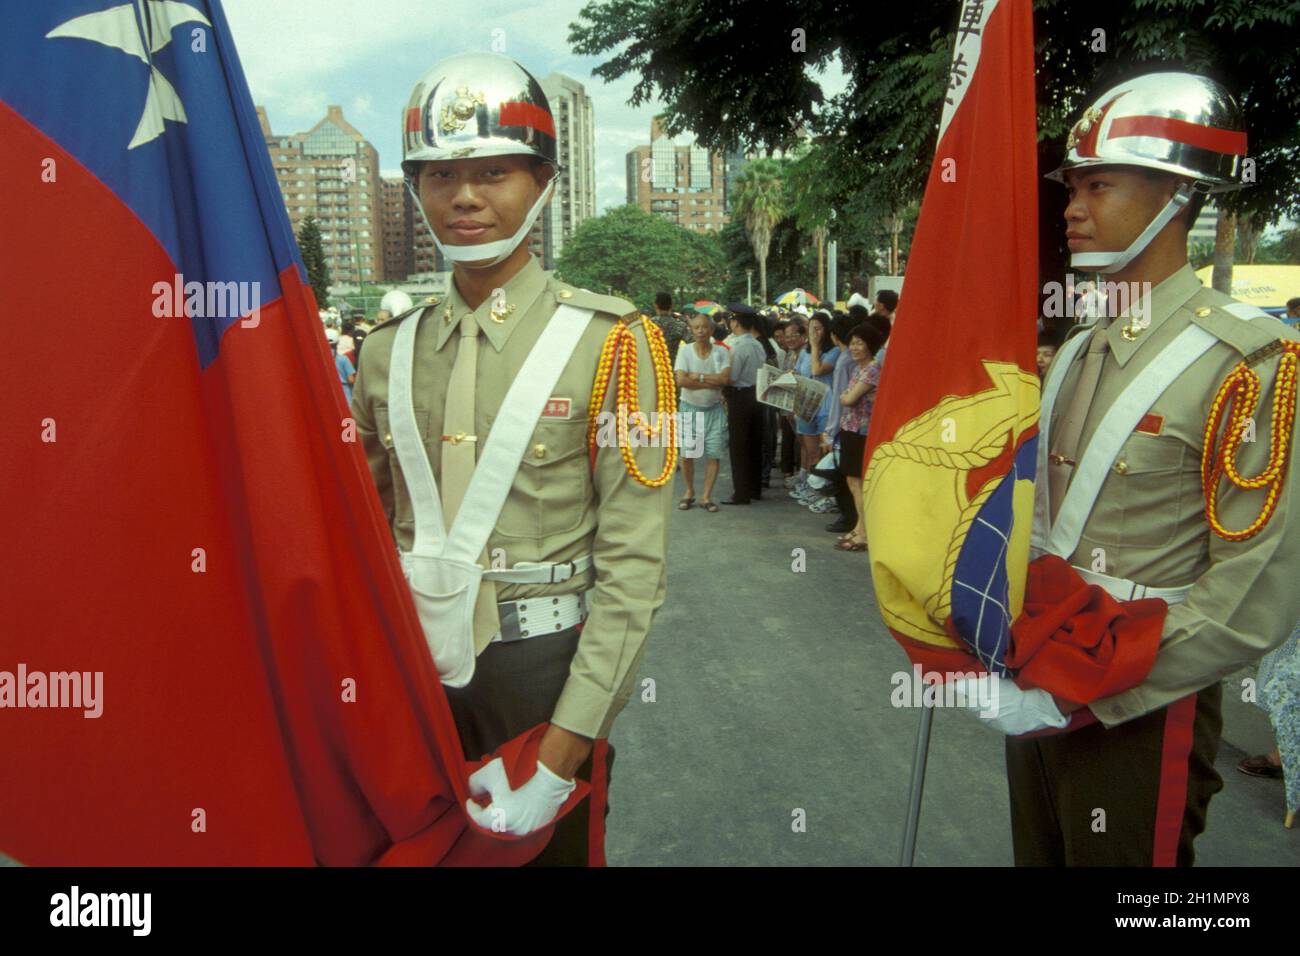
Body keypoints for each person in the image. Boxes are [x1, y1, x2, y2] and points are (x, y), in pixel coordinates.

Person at [351, 52, 673, 866]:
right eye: (440, 174)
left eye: (494, 172)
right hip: (409, 678)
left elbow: (633, 567)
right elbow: (361, 525)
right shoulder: (390, 351)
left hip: (541, 673)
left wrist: (564, 753)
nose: (464, 196)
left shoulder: (614, 345)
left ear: (544, 185)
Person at [1000, 70, 1300, 866]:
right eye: (1071, 186)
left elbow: (1253, 594)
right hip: (1038, 686)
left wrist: (1101, 686)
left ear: (1175, 197)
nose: (1071, 205)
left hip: (1138, 703)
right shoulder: (1075, 351)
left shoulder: (1251, 360)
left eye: (1098, 185)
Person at [832, 322, 886, 551]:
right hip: (851, 429)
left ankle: (863, 533)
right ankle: (858, 526)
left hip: (861, 431)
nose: (854, 348)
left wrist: (846, 396)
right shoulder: (858, 369)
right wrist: (845, 396)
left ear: (870, 346)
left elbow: (848, 399)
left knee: (857, 482)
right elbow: (846, 396)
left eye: (859, 343)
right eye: (852, 343)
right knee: (852, 481)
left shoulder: (872, 369)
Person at [673, 313, 730, 513]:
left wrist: (699, 377)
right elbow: (681, 381)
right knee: (687, 454)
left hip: (714, 410)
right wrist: (709, 381)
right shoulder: (685, 352)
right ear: (691, 330)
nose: (700, 331)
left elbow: (724, 380)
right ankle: (689, 491)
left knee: (713, 454)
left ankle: (706, 497)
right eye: (696, 327)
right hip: (689, 408)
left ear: (712, 330)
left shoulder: (721, 352)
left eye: (704, 327)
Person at [790, 311, 840, 504]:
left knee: (825, 451)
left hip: (826, 407)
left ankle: (825, 491)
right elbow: (801, 373)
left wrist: (816, 345)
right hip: (806, 405)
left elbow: (816, 370)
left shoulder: (833, 351)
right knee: (810, 450)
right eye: (811, 329)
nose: (814, 333)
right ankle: (811, 486)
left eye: (818, 329)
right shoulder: (805, 351)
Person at [720, 304, 766, 505]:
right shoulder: (757, 344)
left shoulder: (738, 347)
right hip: (756, 395)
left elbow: (732, 377)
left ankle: (741, 493)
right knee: (755, 443)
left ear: (735, 323)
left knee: (739, 446)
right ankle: (755, 488)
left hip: (740, 397)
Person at [652, 292, 689, 364]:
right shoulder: (680, 325)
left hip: (652, 368)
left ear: (655, 305)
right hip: (671, 368)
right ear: (671, 306)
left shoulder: (649, 324)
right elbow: (693, 342)